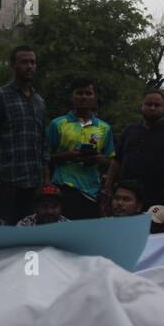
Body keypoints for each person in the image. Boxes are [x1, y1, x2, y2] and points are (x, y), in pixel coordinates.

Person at [0, 45, 46, 225]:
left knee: (28, 233)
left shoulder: (39, 101)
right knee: (6, 232)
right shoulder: (1, 95)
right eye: (24, 62)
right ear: (13, 66)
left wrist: (45, 177)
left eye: (33, 62)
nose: (29, 66)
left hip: (33, 180)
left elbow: (42, 142)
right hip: (8, 179)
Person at [45, 76, 113, 221]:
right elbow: (43, 157)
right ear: (72, 97)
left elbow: (111, 161)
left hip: (92, 192)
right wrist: (67, 156)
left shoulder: (104, 128)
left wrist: (98, 158)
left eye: (88, 93)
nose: (84, 97)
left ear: (95, 97)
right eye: (79, 93)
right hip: (62, 190)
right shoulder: (57, 124)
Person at [105, 87, 164, 212]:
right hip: (128, 194)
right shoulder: (130, 129)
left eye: (157, 105)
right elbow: (116, 160)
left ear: (163, 107)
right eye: (149, 104)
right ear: (142, 105)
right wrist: (108, 186)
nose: (152, 108)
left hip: (159, 194)